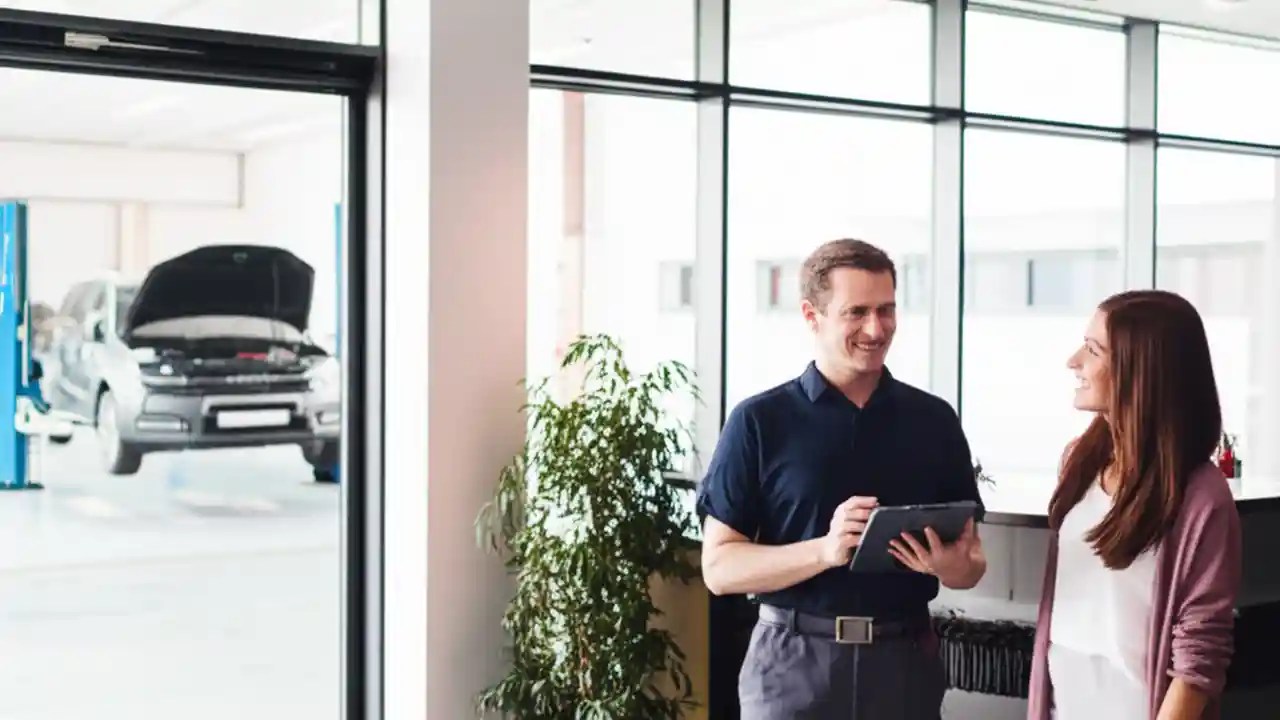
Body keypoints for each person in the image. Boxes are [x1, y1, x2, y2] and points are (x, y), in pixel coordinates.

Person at [697, 238, 987, 720]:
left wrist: (947, 565)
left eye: (886, 310)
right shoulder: (758, 422)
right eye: (857, 312)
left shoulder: (934, 420)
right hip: (792, 664)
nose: (876, 329)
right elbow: (720, 570)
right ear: (812, 316)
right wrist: (824, 550)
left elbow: (972, 565)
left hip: (904, 662)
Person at [1026, 290, 1242, 720]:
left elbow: (1200, 653)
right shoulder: (1078, 461)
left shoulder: (1202, 497)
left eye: (1093, 350)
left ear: (1138, 370)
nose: (1074, 361)